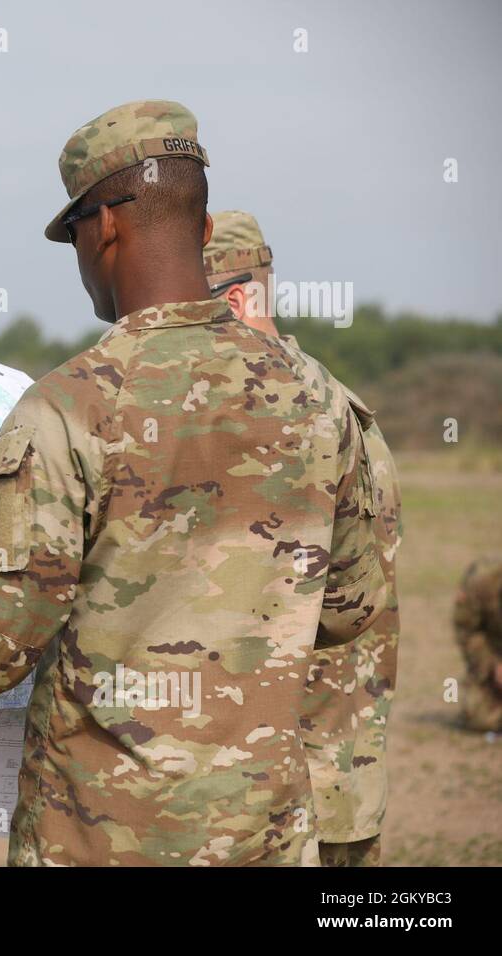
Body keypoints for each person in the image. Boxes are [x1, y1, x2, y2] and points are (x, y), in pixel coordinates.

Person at [0, 100, 386, 866]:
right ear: (201, 228)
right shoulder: (319, 396)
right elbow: (352, 606)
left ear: (104, 229)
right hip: (264, 834)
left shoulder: (68, 408)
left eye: (71, 236)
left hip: (100, 839)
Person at [204, 210, 401, 867]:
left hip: (285, 793)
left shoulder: (282, 419)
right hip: (331, 773)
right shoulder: (325, 398)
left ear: (233, 300)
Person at [453, 557, 502, 733]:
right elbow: (467, 631)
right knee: (479, 718)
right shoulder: (482, 584)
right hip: (494, 661)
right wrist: (493, 665)